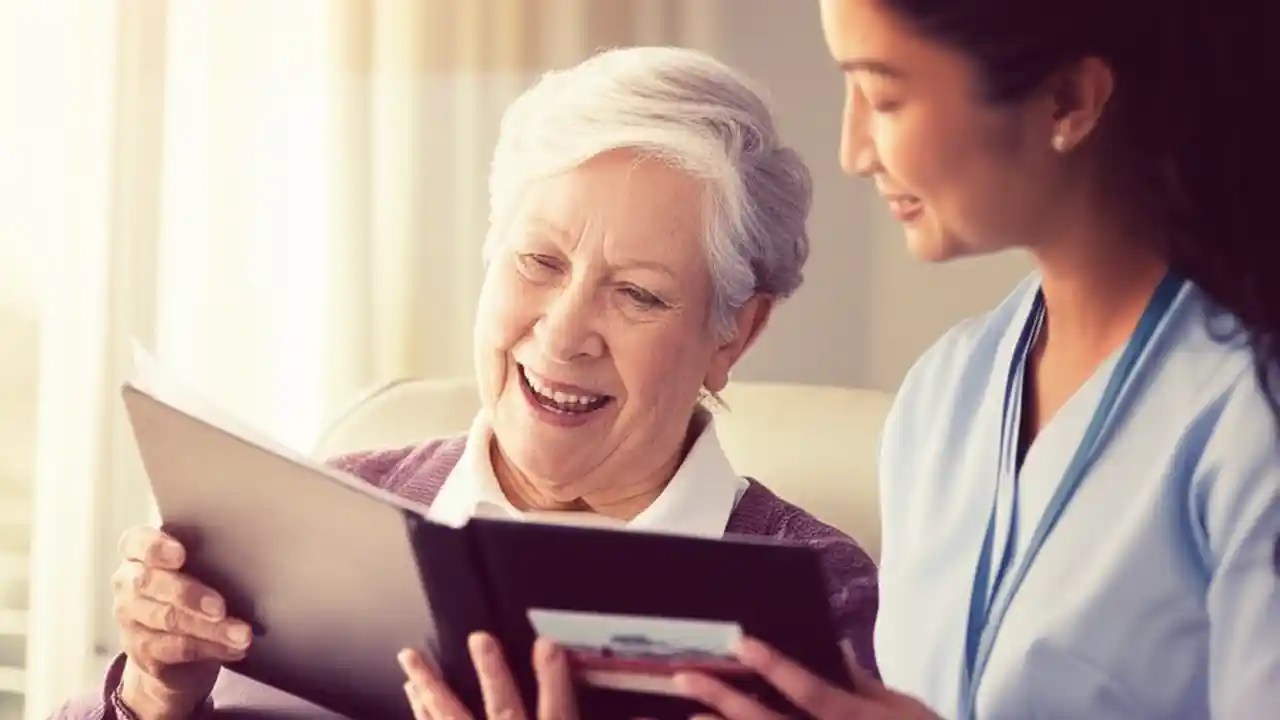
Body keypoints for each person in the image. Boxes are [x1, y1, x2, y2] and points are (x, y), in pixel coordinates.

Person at [53, 46, 880, 720]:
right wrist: (153, 694)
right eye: (539, 261)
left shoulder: (827, 609)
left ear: (735, 332)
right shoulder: (328, 509)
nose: (563, 333)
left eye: (637, 294)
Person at [670, 1, 1279, 719]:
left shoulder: (1248, 413)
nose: (853, 152)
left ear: (1068, 99)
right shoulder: (943, 395)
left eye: (883, 96)